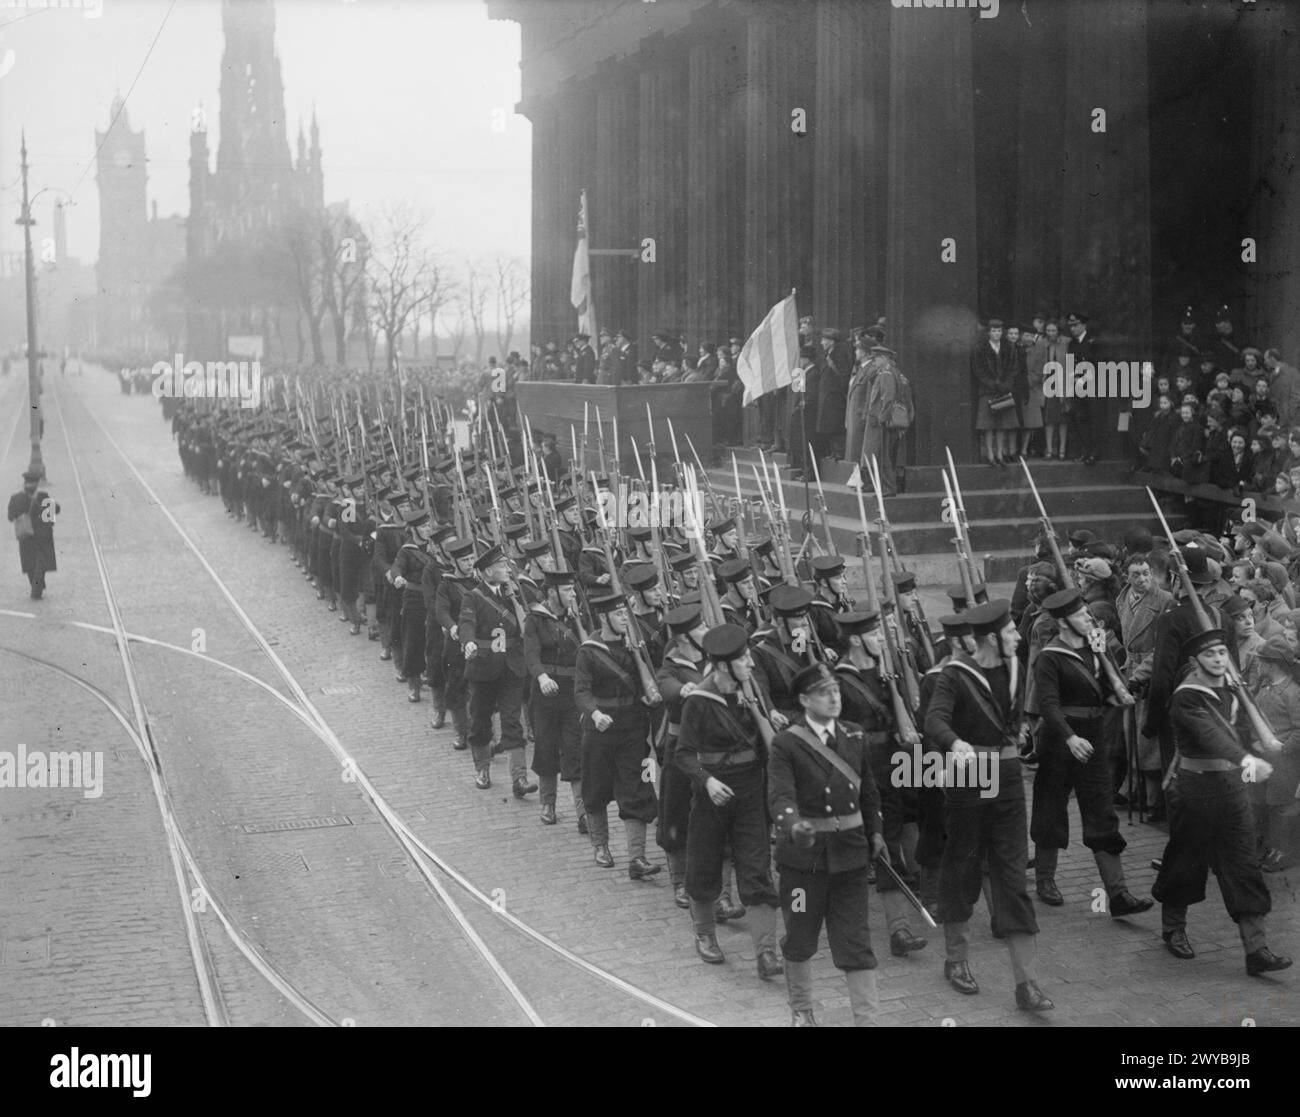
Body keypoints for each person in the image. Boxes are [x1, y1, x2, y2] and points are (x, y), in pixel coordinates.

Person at [924, 600, 1053, 1011]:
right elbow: (934, 721)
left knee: (1013, 878)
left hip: (1010, 781)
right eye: (1012, 631)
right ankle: (957, 959)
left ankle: (1027, 983)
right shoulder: (954, 676)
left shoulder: (1015, 667)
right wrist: (954, 742)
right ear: (992, 638)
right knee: (962, 867)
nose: (1018, 636)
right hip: (969, 781)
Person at [1150, 627, 1292, 975]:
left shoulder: (1232, 689)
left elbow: (1239, 727)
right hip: (1194, 790)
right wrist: (1245, 759)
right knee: (1185, 862)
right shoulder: (1187, 697)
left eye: (1222, 653)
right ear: (1195, 661)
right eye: (1210, 655)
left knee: (1243, 865)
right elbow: (1210, 735)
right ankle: (1173, 929)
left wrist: (1260, 743)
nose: (1217, 659)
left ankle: (1255, 949)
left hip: (1230, 789)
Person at [768, 662, 888, 1027]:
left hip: (851, 858)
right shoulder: (786, 743)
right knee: (800, 937)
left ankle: (866, 1020)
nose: (834, 697)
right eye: (824, 691)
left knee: (856, 941)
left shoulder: (853, 735)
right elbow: (780, 797)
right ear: (805, 700)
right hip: (804, 863)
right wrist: (793, 825)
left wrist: (876, 832)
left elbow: (868, 789)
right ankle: (802, 1013)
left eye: (835, 688)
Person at [1030, 589, 1154, 915]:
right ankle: (1045, 879)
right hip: (1060, 741)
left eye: (1088, 614)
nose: (1089, 618)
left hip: (1094, 736)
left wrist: (1120, 695)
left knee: (1101, 810)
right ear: (1063, 621)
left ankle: (1118, 894)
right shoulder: (1050, 656)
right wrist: (1070, 737)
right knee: (1050, 808)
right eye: (1082, 615)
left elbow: (1106, 688)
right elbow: (1048, 704)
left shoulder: (1095, 646)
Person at [674, 624, 783, 977]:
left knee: (756, 866)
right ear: (723, 667)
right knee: (704, 864)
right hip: (713, 795)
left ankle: (766, 950)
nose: (750, 663)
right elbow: (684, 755)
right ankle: (705, 935)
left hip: (751, 788)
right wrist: (706, 781)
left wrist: (770, 716)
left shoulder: (750, 692)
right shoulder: (699, 702)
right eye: (743, 659)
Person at [574, 593, 662, 876]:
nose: (626, 618)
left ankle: (636, 858)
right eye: (619, 614)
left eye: (626, 613)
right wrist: (595, 713)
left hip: (632, 726)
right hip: (600, 728)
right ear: (603, 618)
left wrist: (648, 695)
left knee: (635, 788)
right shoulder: (589, 650)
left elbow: (647, 679)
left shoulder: (635, 646)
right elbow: (582, 691)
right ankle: (600, 845)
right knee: (596, 788)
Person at [459, 543, 536, 796]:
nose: (507, 569)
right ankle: (482, 768)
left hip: (512, 666)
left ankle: (520, 779)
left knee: (512, 722)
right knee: (481, 721)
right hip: (483, 667)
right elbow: (467, 622)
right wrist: (468, 641)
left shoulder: (516, 592)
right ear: (488, 572)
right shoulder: (473, 596)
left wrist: (516, 597)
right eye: (502, 566)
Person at [523, 569, 585, 828]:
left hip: (572, 692)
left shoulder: (578, 618)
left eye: (573, 589)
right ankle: (548, 804)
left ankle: (583, 811)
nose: (573, 594)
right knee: (546, 747)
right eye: (568, 590)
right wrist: (541, 677)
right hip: (546, 693)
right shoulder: (535, 619)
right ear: (552, 592)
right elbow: (531, 654)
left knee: (576, 749)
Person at [971, 318, 1018, 467]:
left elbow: (1013, 369)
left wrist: (1006, 385)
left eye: (999, 331)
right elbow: (979, 371)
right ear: (989, 332)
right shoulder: (980, 349)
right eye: (994, 331)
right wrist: (993, 384)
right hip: (988, 390)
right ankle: (990, 455)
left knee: (1002, 425)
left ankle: (1000, 454)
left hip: (1004, 390)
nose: (996, 334)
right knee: (988, 425)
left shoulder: (1009, 348)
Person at [8, 469, 59, 600]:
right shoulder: (43, 496)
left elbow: (10, 516)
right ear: (36, 484)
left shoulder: (16, 498)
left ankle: (36, 587)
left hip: (25, 536)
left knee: (30, 564)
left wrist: (20, 516)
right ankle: (37, 589)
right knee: (40, 564)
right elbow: (55, 511)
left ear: (25, 483)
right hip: (43, 537)